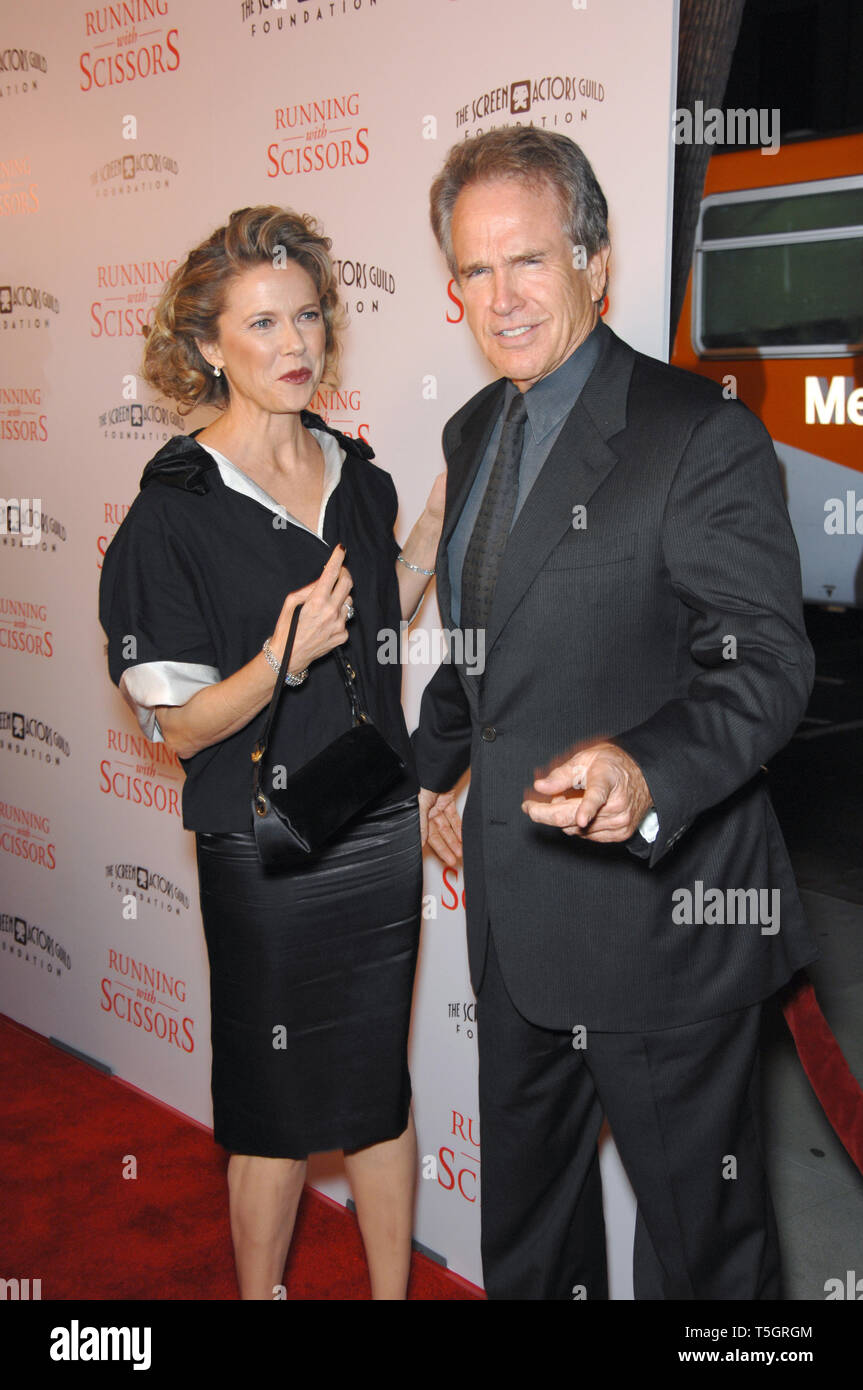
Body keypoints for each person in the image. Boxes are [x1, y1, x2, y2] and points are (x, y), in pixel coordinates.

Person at [413, 128, 818, 1300]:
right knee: (530, 1249)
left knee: (705, 1263)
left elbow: (762, 664)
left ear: (593, 257)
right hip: (514, 934)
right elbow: (483, 651)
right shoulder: (475, 428)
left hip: (662, 925)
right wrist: (439, 765)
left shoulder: (696, 432)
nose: (502, 299)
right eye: (474, 273)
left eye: (527, 261)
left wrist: (646, 772)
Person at [99, 205, 444, 1300]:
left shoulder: (359, 475)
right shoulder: (173, 514)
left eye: (306, 317)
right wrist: (278, 657)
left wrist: (438, 526)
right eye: (261, 323)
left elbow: (379, 619)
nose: (294, 344)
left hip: (375, 821)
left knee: (375, 1087)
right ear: (206, 346)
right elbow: (179, 724)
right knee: (274, 1106)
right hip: (261, 844)